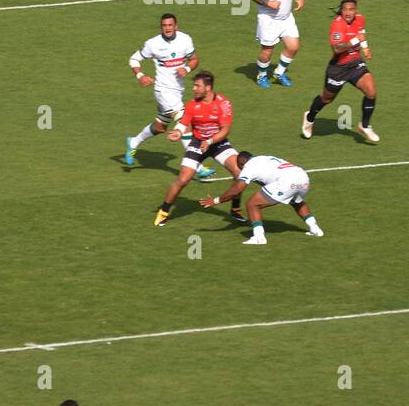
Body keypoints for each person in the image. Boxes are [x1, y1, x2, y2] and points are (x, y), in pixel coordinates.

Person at [123, 13, 214, 179]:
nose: (167, 28)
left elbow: (194, 59)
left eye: (170, 25)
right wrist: (140, 76)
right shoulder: (153, 44)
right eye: (164, 26)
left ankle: (133, 142)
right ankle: (198, 167)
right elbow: (134, 59)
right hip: (162, 91)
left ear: (176, 26)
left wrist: (186, 69)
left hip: (177, 91)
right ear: (161, 27)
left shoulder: (185, 39)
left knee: (160, 126)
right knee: (185, 124)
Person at [153, 71, 242, 227]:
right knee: (183, 179)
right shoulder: (192, 104)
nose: (194, 89)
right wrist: (178, 132)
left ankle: (235, 209)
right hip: (198, 143)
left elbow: (225, 129)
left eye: (197, 86)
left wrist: (210, 140)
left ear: (208, 88)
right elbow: (184, 122)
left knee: (240, 173)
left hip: (217, 143)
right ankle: (164, 211)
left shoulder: (223, 103)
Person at [198, 151, 324, 246]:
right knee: (296, 202)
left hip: (286, 181)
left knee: (252, 205)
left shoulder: (248, 167)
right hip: (303, 178)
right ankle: (315, 229)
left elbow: (236, 190)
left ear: (242, 163)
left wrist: (215, 200)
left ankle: (259, 237)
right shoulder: (263, 158)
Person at [301, 0, 378, 143]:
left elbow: (361, 34)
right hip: (338, 69)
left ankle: (365, 125)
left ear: (356, 11)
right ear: (341, 11)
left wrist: (365, 48)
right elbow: (337, 48)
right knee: (327, 99)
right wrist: (356, 40)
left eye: (351, 9)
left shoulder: (360, 19)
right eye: (345, 10)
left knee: (371, 92)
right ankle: (309, 117)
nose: (348, 13)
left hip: (355, 64)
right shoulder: (337, 25)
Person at [251, 0, 303, 89]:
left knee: (293, 47)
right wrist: (268, 3)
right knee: (267, 51)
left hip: (286, 18)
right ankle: (261, 75)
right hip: (268, 19)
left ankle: (278, 73)